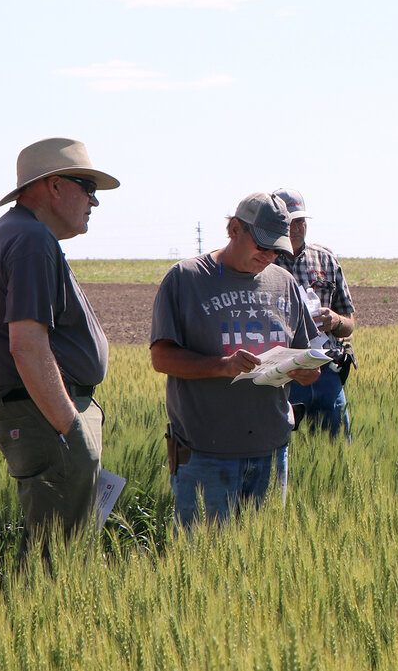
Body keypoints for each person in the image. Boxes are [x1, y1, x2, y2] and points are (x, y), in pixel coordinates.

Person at [0, 138, 119, 553]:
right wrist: (71, 428)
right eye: (86, 187)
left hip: (40, 414)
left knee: (54, 550)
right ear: (54, 186)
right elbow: (27, 346)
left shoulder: (15, 235)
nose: (94, 201)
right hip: (47, 417)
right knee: (59, 557)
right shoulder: (31, 240)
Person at [150, 193, 320, 529]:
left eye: (276, 250)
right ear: (234, 229)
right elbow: (161, 357)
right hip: (205, 455)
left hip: (272, 450)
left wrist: (305, 372)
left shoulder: (284, 283)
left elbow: (305, 354)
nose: (268, 256)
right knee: (203, 556)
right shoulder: (186, 278)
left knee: (264, 554)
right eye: (262, 245)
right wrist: (222, 366)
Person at [272, 188, 357, 440]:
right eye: (289, 221)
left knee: (336, 452)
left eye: (300, 221)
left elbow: (349, 324)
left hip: (327, 373)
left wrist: (335, 321)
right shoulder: (263, 263)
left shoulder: (326, 261)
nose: (296, 228)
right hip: (283, 377)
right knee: (283, 451)